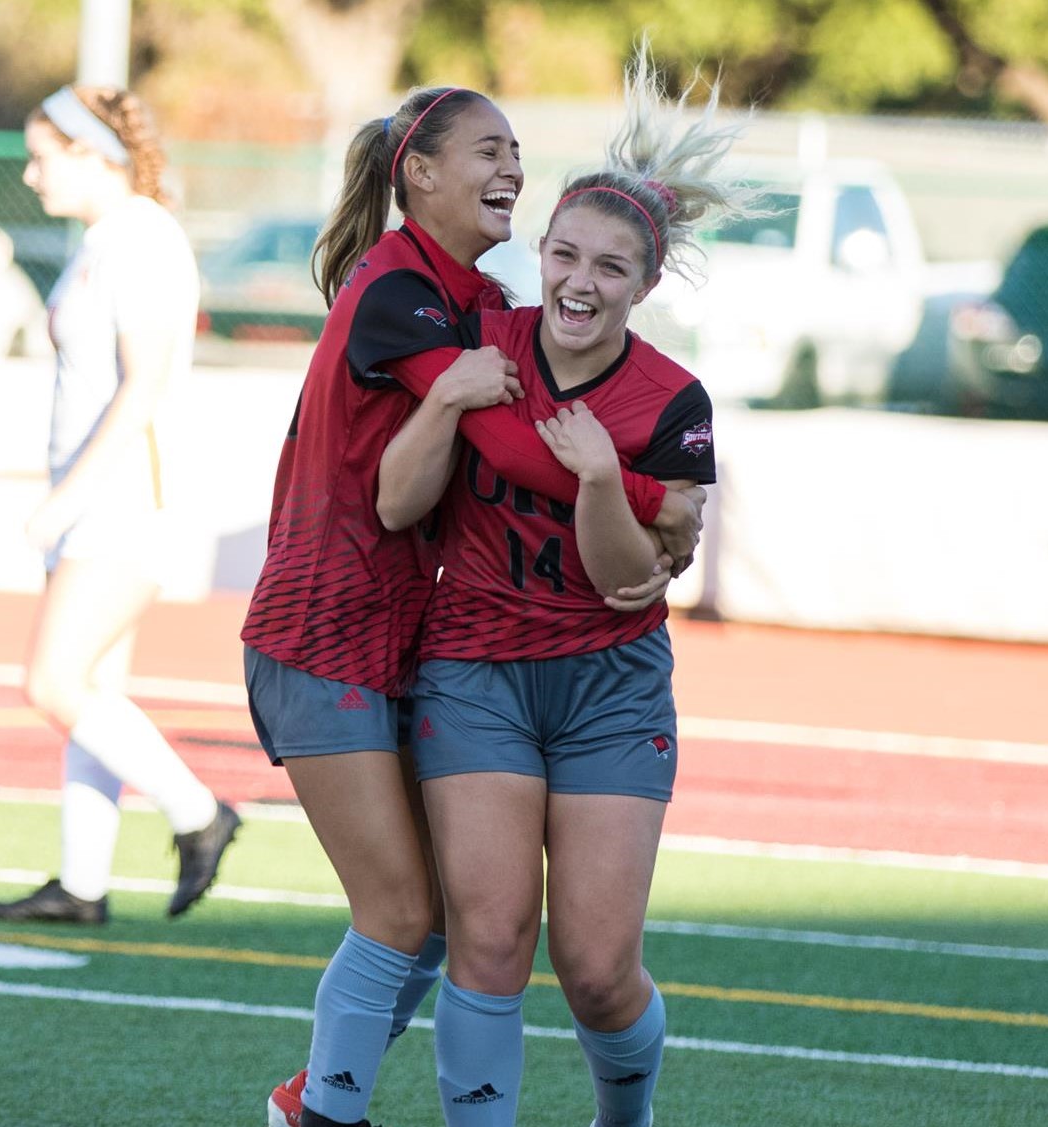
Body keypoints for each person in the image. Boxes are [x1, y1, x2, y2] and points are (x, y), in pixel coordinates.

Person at [244, 85, 709, 1127]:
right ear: (417, 172)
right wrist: (652, 502)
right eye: (487, 149)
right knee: (415, 913)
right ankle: (321, 1108)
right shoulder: (407, 291)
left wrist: (644, 504)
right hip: (331, 625)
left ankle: (315, 1096)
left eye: (516, 150)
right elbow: (467, 459)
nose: (509, 165)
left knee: (490, 935)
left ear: (645, 282)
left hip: (449, 642)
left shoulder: (469, 305)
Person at [375, 48, 751, 1127]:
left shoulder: (673, 401)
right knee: (489, 937)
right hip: (476, 672)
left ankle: (621, 1113)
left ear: (646, 284)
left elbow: (632, 579)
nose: (580, 283)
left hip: (607, 687)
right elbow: (402, 502)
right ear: (539, 251)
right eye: (565, 255)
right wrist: (443, 400)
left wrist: (600, 476)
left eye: (610, 269)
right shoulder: (480, 338)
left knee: (594, 967)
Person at [0, 84, 241, 927]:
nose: (29, 173)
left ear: (93, 154)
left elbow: (145, 385)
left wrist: (63, 501)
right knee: (93, 689)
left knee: (54, 680)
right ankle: (83, 881)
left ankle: (199, 811)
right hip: (104, 499)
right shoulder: (107, 240)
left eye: (43, 155)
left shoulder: (142, 239)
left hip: (128, 500)